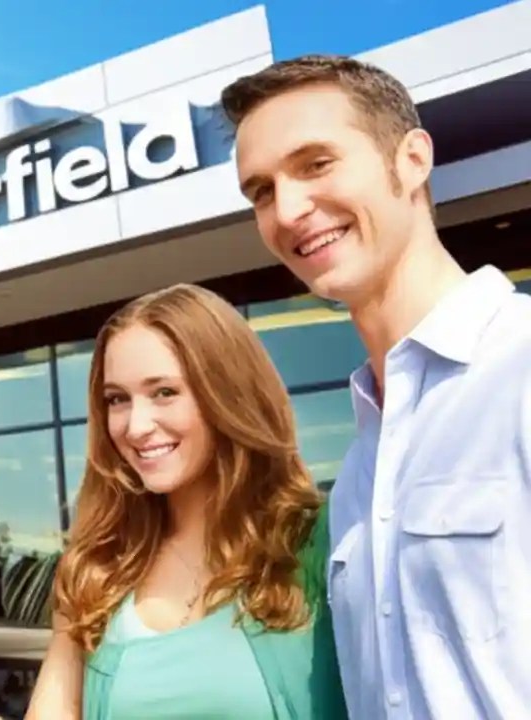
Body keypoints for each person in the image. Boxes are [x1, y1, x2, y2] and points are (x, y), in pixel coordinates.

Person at [222, 54, 531, 717]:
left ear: (413, 159)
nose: (289, 209)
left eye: (315, 164)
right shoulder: (362, 467)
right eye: (261, 191)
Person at [0, 284, 346, 719]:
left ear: (229, 394)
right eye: (117, 399)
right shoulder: (96, 570)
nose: (135, 427)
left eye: (164, 393)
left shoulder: (325, 543)